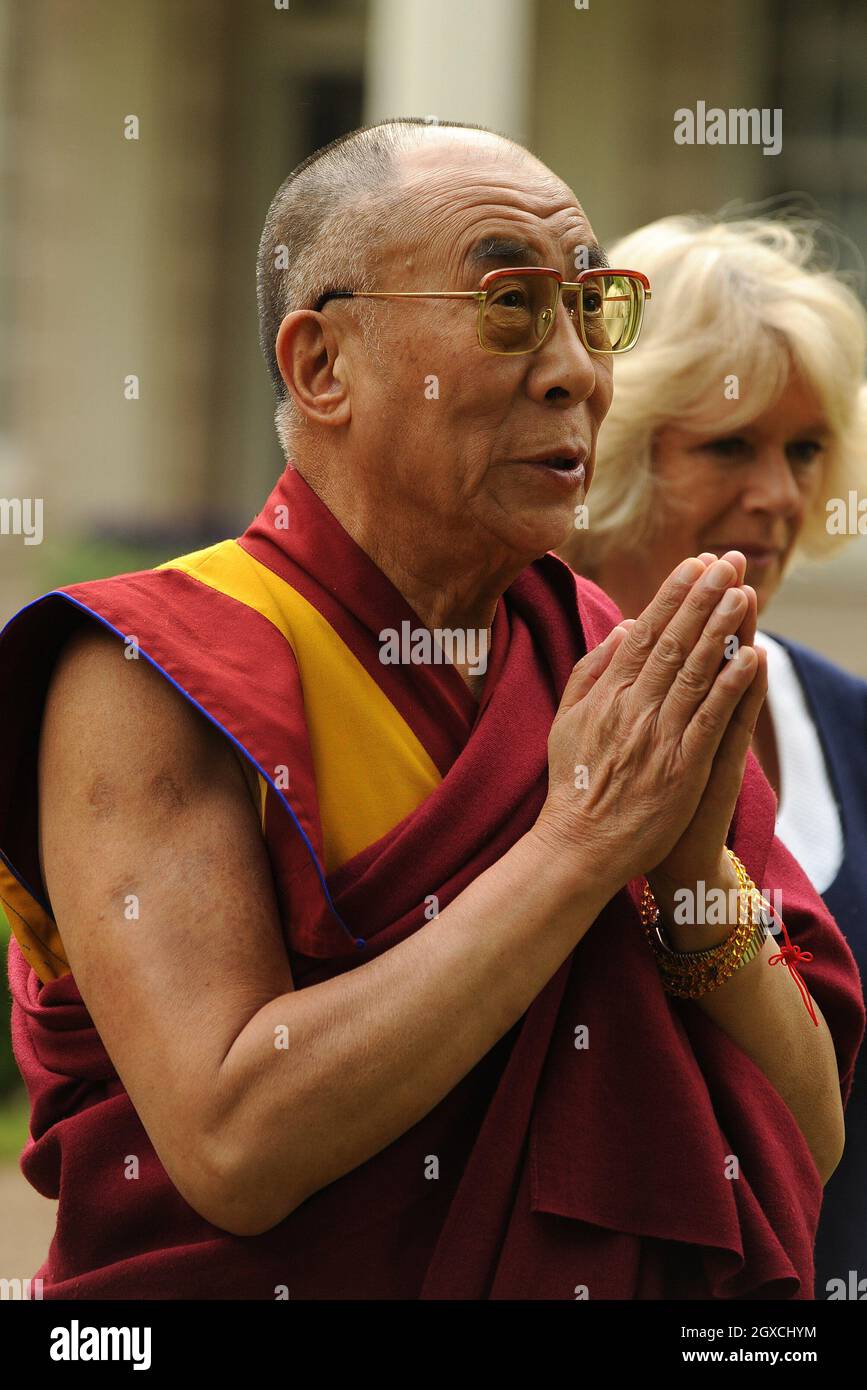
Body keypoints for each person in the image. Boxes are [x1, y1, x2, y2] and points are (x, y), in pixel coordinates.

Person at [0, 122, 863, 1300]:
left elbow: (808, 1131)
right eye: (510, 304)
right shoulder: (156, 669)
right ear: (323, 366)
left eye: (592, 306)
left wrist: (693, 871)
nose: (576, 370)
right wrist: (579, 847)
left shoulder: (607, 661)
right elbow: (232, 1141)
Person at [557, 211, 867, 1297]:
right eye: (730, 446)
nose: (780, 497)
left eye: (805, 449)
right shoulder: (517, 702)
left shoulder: (851, 724)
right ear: (616, 448)